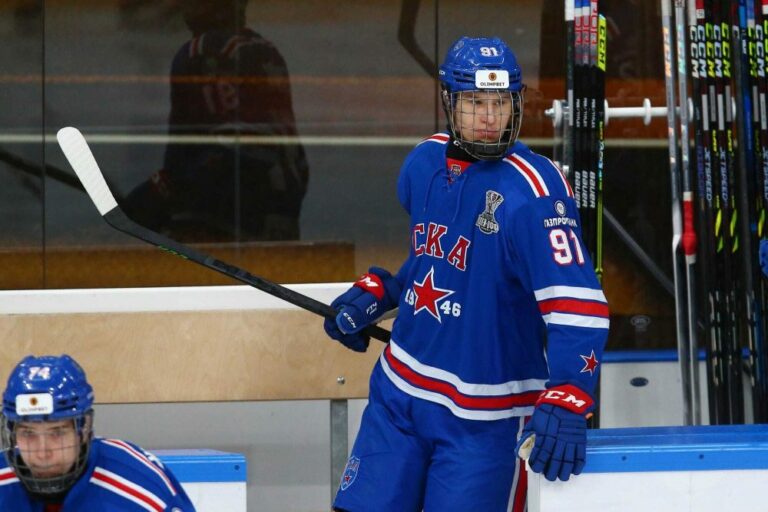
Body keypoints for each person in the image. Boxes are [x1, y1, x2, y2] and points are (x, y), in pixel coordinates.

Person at [323, 36, 609, 511]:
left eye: (501, 102)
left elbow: (578, 306)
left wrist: (569, 391)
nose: (489, 116)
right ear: (449, 103)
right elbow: (438, 257)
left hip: (485, 417)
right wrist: (386, 290)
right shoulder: (423, 164)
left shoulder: (536, 195)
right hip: (399, 395)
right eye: (475, 102)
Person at [123, 0, 309, 242]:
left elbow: (203, 157)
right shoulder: (267, 51)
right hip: (281, 209)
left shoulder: (200, 52)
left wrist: (157, 193)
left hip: (232, 212)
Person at [0, 354, 195, 511]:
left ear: (83, 430)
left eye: (57, 432)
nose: (42, 453)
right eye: (28, 433)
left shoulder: (141, 494)